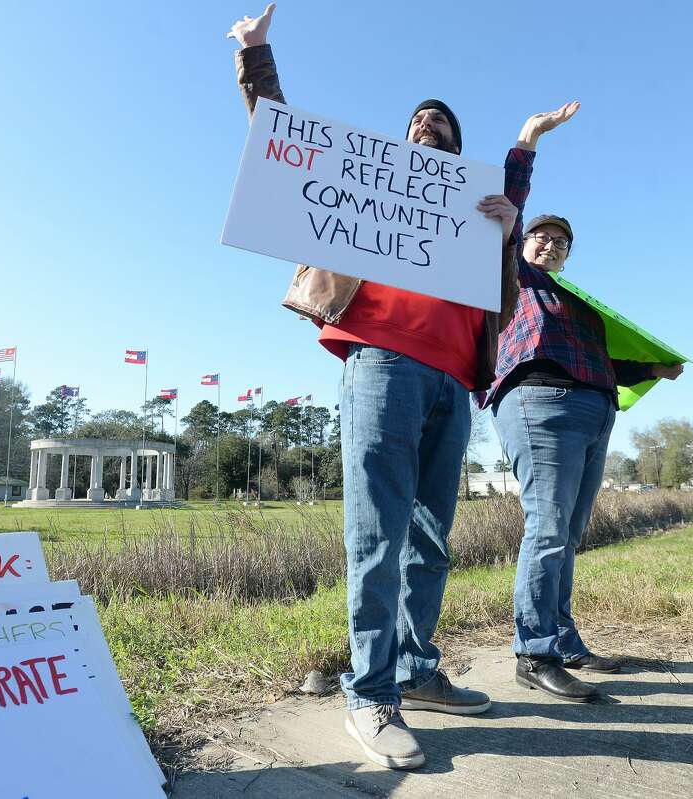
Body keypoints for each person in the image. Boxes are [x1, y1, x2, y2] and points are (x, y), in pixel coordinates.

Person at [228, 4, 520, 770]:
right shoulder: (371, 186)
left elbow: (507, 305)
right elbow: (281, 145)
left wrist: (510, 235)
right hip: (381, 362)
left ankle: (419, 670)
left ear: (460, 146)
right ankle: (371, 692)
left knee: (430, 540)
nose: (428, 124)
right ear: (403, 139)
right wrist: (257, 58)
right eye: (419, 119)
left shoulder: (480, 214)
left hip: (452, 383)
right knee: (378, 536)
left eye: (442, 122)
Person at [483, 119, 684, 703]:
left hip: (596, 411)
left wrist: (653, 371)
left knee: (567, 534)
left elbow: (607, 367)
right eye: (540, 236)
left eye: (560, 241)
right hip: (538, 403)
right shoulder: (512, 279)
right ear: (522, 243)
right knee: (546, 527)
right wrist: (529, 142)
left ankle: (564, 640)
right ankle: (534, 652)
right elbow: (508, 214)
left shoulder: (583, 307)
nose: (549, 244)